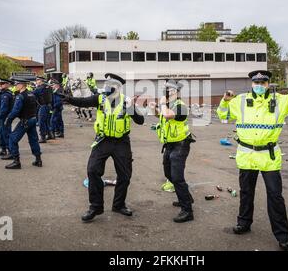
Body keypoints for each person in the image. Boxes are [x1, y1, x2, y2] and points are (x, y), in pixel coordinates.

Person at [216, 67, 288, 251]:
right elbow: (223, 114)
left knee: (275, 196)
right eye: (256, 83)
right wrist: (225, 101)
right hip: (247, 155)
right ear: (252, 84)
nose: (259, 85)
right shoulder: (241, 101)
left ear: (268, 84)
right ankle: (244, 223)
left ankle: (282, 236)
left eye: (263, 82)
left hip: (268, 156)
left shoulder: (281, 101)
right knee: (246, 192)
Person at [62, 73, 144, 222]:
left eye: (109, 84)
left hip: (121, 142)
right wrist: (69, 99)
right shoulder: (100, 98)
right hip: (103, 140)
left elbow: (140, 120)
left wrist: (131, 108)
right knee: (92, 170)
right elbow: (83, 102)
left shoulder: (126, 101)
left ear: (117, 87)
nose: (105, 86)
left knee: (125, 175)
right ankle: (95, 207)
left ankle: (119, 205)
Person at [148, 80, 196, 223]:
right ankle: (187, 198)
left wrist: (162, 104)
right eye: (165, 89)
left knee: (177, 177)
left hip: (180, 145)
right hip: (169, 145)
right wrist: (154, 109)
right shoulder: (168, 105)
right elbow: (161, 116)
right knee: (168, 173)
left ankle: (187, 211)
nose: (166, 92)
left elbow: (168, 115)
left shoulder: (181, 107)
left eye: (168, 89)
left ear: (175, 91)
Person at [3, 78, 42, 169]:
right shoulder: (31, 94)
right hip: (32, 119)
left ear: (22, 85)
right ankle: (38, 160)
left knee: (12, 139)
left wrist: (8, 119)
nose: (15, 86)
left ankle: (16, 162)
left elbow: (16, 110)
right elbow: (36, 106)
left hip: (25, 121)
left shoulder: (20, 96)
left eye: (17, 84)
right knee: (33, 140)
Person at [0, 78, 15, 157]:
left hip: (5, 117)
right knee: (1, 134)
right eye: (0, 84)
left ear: (7, 85)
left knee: (6, 134)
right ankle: (3, 149)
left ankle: (10, 152)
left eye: (2, 84)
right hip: (3, 116)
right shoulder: (3, 93)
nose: (0, 85)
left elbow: (4, 109)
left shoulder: (6, 94)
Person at [33, 76, 53, 143]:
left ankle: (43, 137)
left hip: (43, 106)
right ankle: (50, 134)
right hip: (49, 106)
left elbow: (32, 94)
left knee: (41, 122)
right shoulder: (49, 87)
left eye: (37, 80)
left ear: (40, 81)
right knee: (47, 121)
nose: (36, 82)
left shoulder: (39, 88)